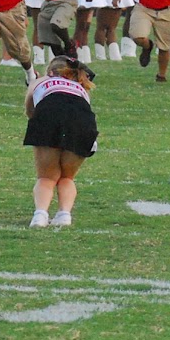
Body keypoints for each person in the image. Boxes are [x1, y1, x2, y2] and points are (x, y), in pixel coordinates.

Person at [24, 55, 99, 227]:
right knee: (67, 177)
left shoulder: (42, 80)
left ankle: (40, 215)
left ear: (51, 72)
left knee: (47, 177)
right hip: (82, 123)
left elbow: (30, 109)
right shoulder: (81, 87)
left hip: (48, 116)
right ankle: (64, 215)